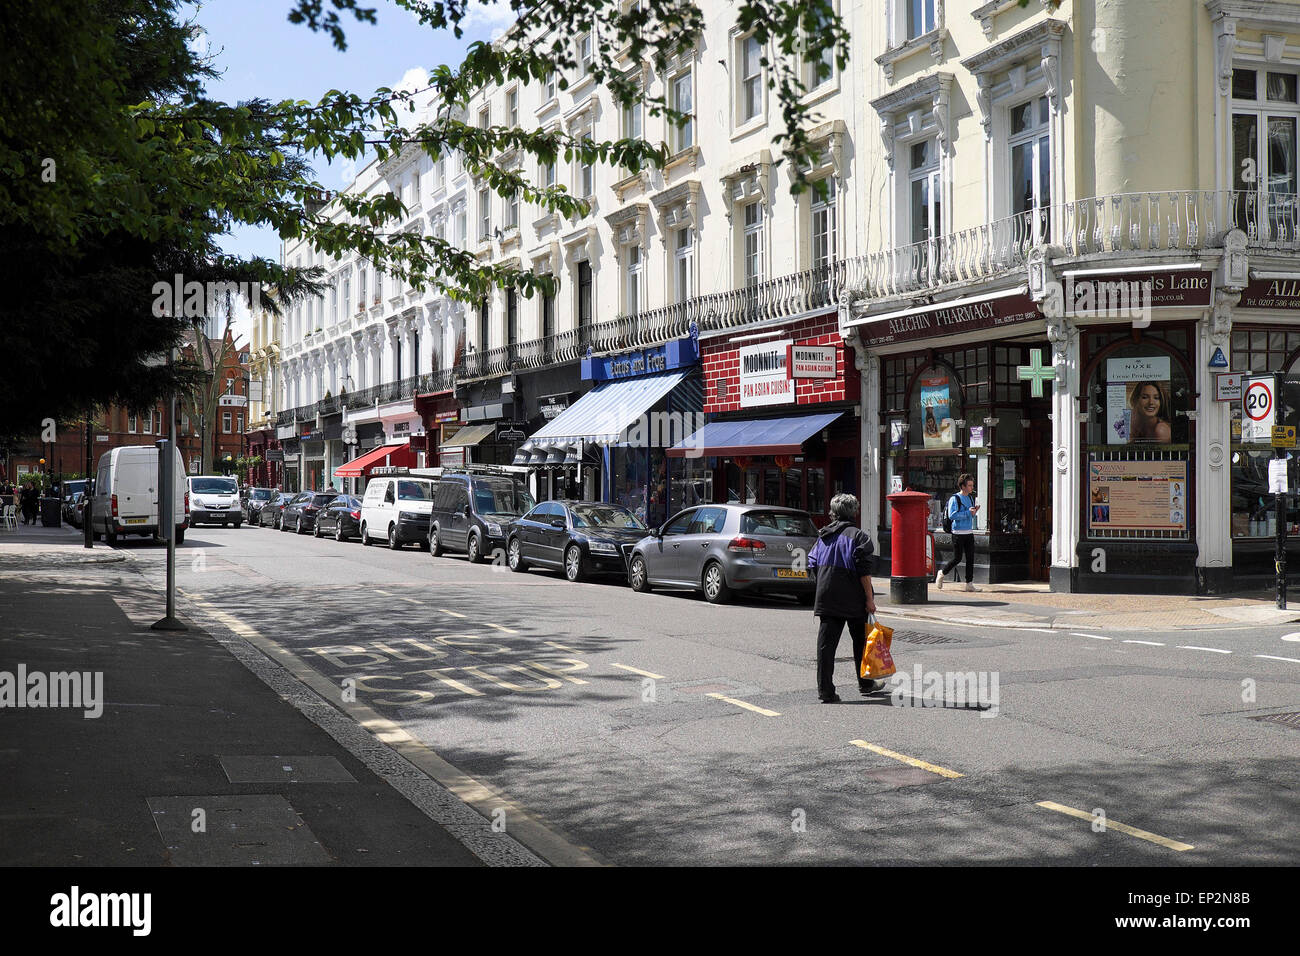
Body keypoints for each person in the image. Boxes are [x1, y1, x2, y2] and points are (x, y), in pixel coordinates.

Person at [806, 493, 879, 704]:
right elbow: (864, 572)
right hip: (853, 597)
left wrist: (823, 584)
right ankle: (865, 684)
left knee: (826, 646)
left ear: (833, 513)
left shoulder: (823, 536)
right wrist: (869, 599)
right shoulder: (859, 537)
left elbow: (812, 563)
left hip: (827, 595)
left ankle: (825, 691)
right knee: (861, 641)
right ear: (854, 511)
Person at [936, 473, 980, 592]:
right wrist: (967, 513)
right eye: (970, 485)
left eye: (972, 485)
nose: (972, 487)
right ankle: (942, 573)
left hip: (969, 532)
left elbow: (970, 515)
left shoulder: (970, 498)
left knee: (970, 558)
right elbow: (952, 515)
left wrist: (974, 512)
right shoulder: (954, 498)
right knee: (957, 558)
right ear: (963, 486)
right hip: (958, 533)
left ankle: (969, 583)